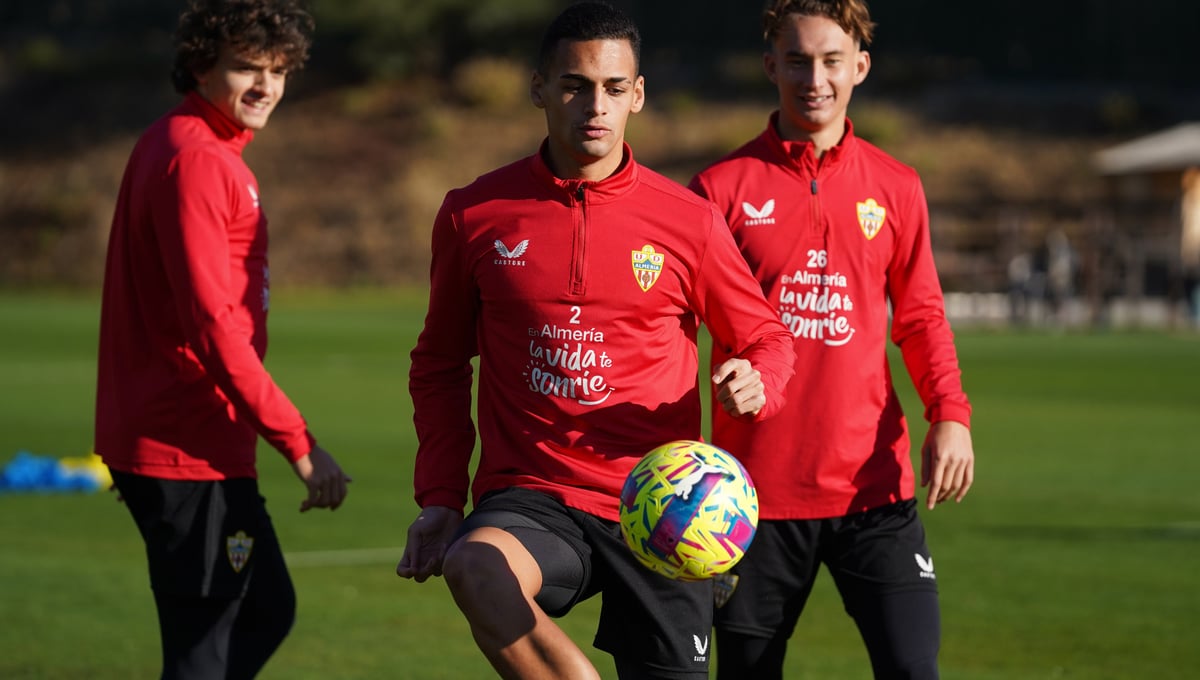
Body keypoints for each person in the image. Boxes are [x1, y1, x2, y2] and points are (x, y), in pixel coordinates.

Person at [395, 2, 795, 678]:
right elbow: (438, 363)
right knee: (475, 564)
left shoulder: (688, 221)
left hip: (665, 504)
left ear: (637, 95)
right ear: (540, 89)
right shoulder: (474, 214)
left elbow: (765, 337)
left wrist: (760, 377)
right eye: (576, 84)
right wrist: (440, 498)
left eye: (614, 88)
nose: (595, 105)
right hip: (532, 494)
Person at [688, 1, 975, 678]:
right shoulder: (718, 190)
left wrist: (951, 417)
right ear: (771, 67)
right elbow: (672, 329)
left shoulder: (897, 187)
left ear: (861, 68)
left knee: (913, 669)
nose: (813, 77)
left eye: (831, 60)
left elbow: (922, 316)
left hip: (873, 490)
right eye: (797, 60)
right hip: (748, 498)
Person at [94, 1, 351, 677]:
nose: (264, 85)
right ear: (202, 67)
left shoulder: (177, 141)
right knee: (208, 647)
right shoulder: (200, 160)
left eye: (278, 70)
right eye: (245, 67)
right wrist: (299, 444)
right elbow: (213, 325)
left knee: (261, 610)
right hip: (185, 442)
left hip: (185, 436)